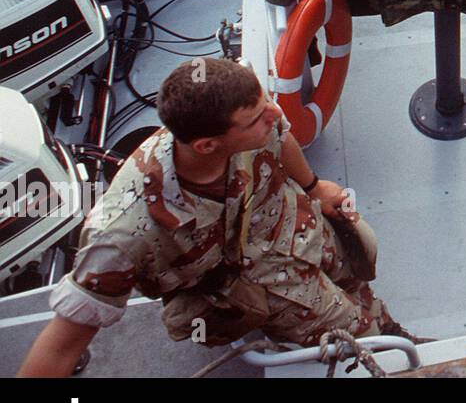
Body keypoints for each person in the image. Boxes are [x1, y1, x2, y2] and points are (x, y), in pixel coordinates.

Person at [17, 58, 411, 378]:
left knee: (360, 269)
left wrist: (312, 187)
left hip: (296, 231)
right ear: (208, 145)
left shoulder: (253, 119)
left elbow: (281, 134)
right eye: (257, 116)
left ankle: (381, 321)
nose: (274, 113)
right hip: (255, 290)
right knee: (361, 337)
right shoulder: (122, 235)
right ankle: (386, 350)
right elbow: (60, 346)